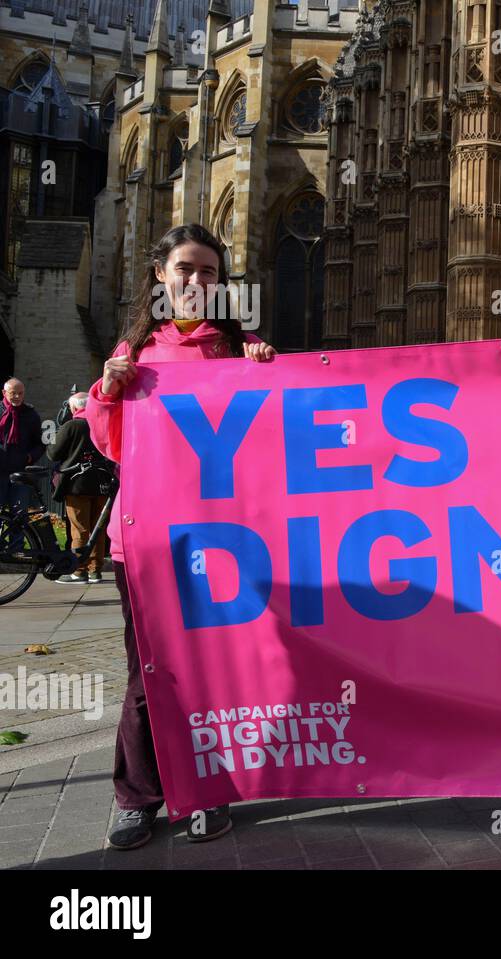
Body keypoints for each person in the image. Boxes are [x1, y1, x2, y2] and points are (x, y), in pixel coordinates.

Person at [85, 223, 276, 851]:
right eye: (186, 269)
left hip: (220, 540)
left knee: (212, 668)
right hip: (142, 540)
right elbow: (111, 444)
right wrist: (107, 392)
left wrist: (266, 372)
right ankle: (136, 799)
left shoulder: (235, 348)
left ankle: (207, 790)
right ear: (161, 276)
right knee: (148, 673)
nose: (197, 281)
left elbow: (269, 443)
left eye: (210, 272)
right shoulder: (135, 349)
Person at [47, 392, 115, 585]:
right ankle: (96, 570)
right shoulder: (102, 423)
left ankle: (79, 570)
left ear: (74, 408)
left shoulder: (72, 425)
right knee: (98, 528)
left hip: (77, 483)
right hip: (102, 482)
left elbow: (53, 453)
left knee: (80, 528)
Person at [1, 377, 44, 516]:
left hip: (20, 472)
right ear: (4, 393)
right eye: (13, 393)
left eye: (21, 393)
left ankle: (18, 539)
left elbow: (40, 443)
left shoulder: (31, 415)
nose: (17, 396)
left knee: (19, 514)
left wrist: (29, 457)